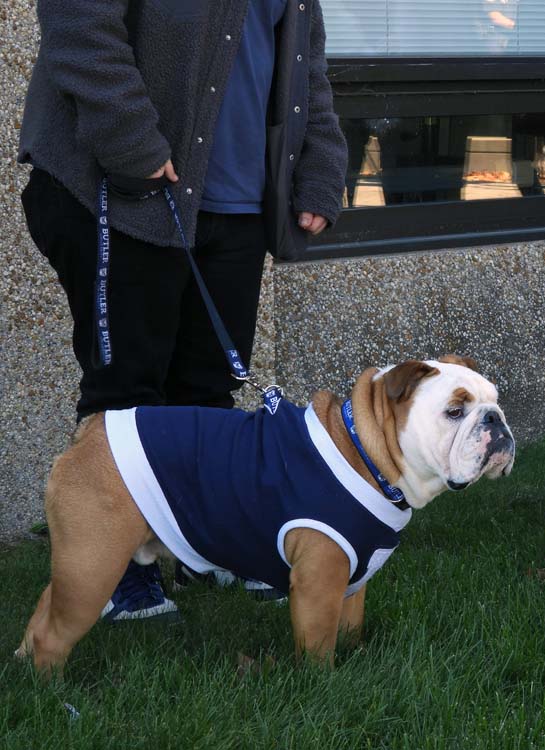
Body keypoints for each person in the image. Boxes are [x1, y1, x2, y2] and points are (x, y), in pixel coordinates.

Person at [19, 1, 348, 618]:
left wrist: (322, 166)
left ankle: (200, 547)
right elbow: (77, 21)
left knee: (207, 394)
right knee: (126, 397)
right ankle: (118, 569)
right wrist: (131, 138)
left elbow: (306, 64)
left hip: (236, 204)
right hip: (122, 187)